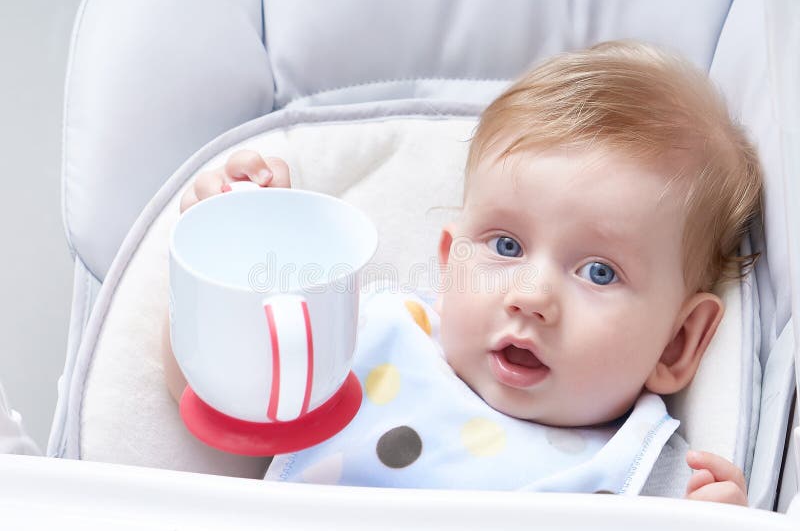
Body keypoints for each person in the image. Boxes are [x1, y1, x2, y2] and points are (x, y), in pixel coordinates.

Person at [162, 41, 759, 505]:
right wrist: (233, 254)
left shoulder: (645, 474)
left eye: (599, 272)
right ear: (450, 267)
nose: (531, 297)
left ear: (677, 342)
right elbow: (209, 394)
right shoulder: (366, 345)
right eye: (505, 244)